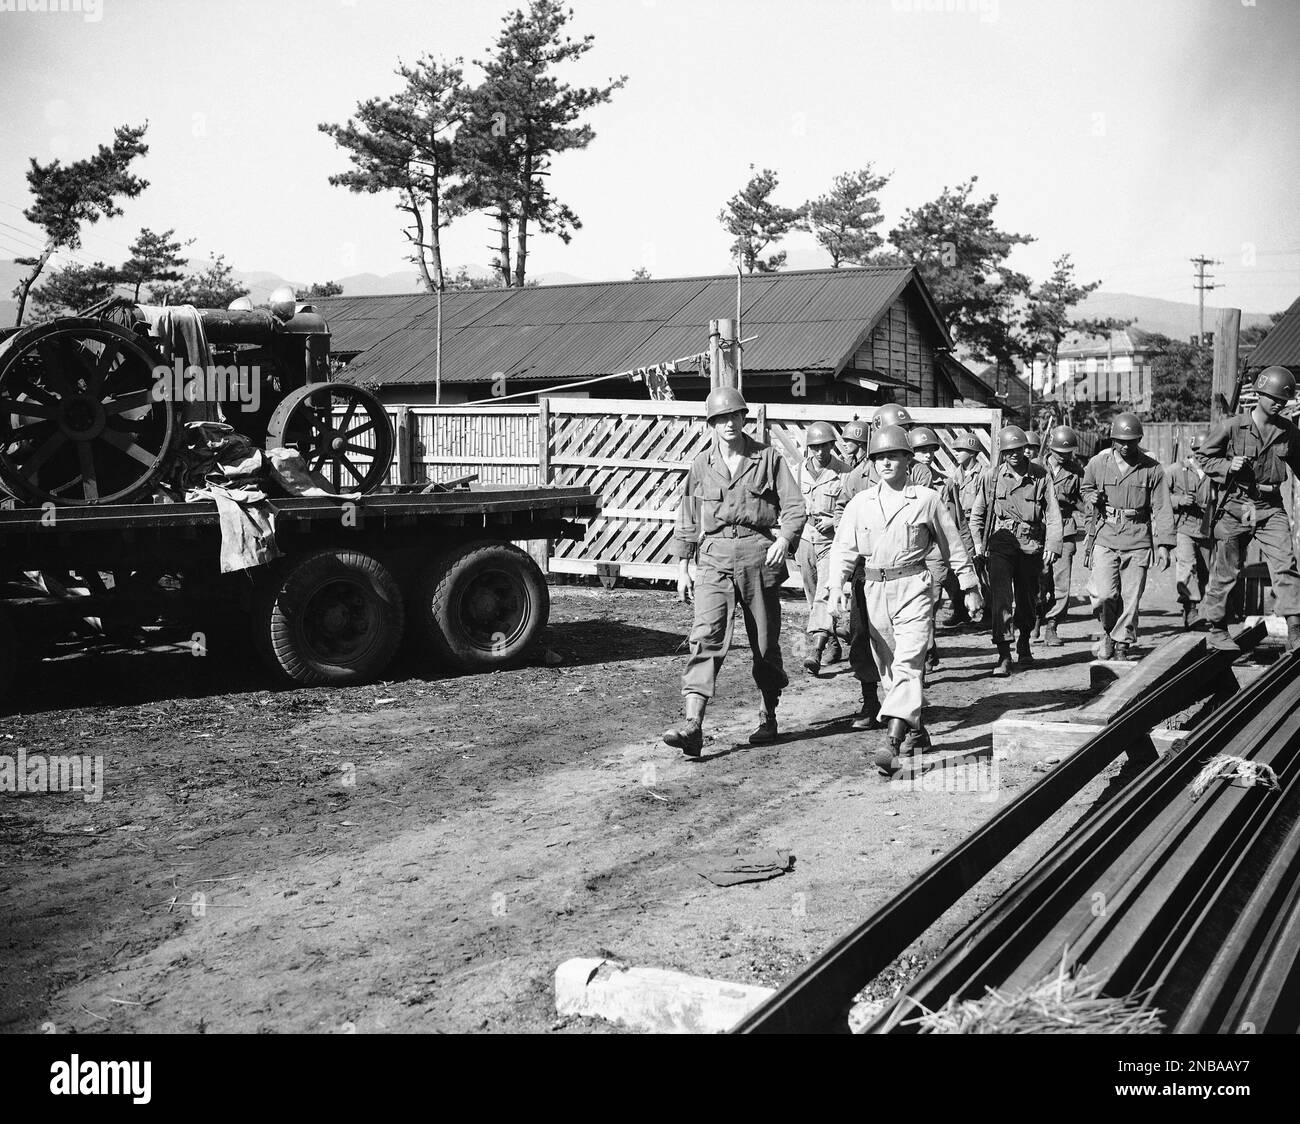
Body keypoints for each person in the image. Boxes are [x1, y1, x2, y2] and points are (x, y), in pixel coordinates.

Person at [827, 425, 983, 775]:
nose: (886, 463)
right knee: (889, 668)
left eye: (893, 456)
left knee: (910, 661)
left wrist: (969, 584)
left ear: (907, 460)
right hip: (873, 590)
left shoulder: (926, 499)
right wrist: (834, 588)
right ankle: (915, 728)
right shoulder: (860, 503)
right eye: (879, 457)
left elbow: (952, 544)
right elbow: (843, 550)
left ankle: (892, 743)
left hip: (913, 585)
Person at [662, 386, 806, 756]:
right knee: (705, 635)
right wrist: (682, 566)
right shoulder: (701, 464)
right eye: (721, 418)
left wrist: (784, 540)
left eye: (734, 416)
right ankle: (694, 725)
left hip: (759, 556)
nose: (729, 423)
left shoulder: (768, 459)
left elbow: (794, 508)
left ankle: (768, 715)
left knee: (764, 642)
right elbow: (689, 518)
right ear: (711, 423)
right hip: (713, 558)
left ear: (744, 418)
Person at [1195, 366, 1300, 651]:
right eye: (1273, 397)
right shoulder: (1233, 426)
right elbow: (1204, 459)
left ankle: (1294, 631)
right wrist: (1228, 465)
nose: (1278, 403)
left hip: (1271, 507)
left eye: (1283, 400)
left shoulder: (1288, 431)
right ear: (1259, 395)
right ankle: (1217, 629)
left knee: (1285, 566)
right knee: (1226, 571)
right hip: (1236, 506)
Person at [831, 404, 912, 728]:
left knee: (904, 639)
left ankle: (902, 706)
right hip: (866, 572)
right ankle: (869, 702)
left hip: (903, 570)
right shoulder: (855, 478)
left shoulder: (915, 472)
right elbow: (841, 515)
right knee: (862, 636)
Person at [1080, 412, 1174, 661]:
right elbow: (1085, 487)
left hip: (1137, 537)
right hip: (1106, 534)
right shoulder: (1098, 464)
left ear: (1139, 440)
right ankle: (1109, 630)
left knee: (1131, 596)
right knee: (1104, 594)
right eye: (1120, 440)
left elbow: (1163, 507)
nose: (1125, 445)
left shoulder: (1151, 468)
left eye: (1131, 440)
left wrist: (1164, 544)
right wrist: (1090, 497)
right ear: (1112, 439)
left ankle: (1122, 644)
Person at [970, 425, 1062, 676]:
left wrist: (1053, 544)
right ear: (1002, 452)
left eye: (1018, 449)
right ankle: (1003, 654)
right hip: (1000, 544)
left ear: (1025, 449)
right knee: (1001, 599)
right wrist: (978, 544)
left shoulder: (1041, 475)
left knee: (1027, 597)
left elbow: (1053, 513)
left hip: (1030, 544)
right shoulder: (992, 476)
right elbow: (978, 514)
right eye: (1009, 450)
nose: (1014, 454)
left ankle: (1024, 641)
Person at [796, 421, 850, 675]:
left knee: (824, 594)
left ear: (832, 445)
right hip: (805, 539)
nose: (820, 452)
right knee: (811, 594)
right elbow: (790, 505)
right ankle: (833, 642)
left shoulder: (844, 473)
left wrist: (834, 522)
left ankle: (815, 651)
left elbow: (852, 511)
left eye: (825, 446)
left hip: (832, 543)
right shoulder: (798, 472)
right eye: (815, 447)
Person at [1041, 425, 1085, 647]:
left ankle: (1052, 624)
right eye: (1060, 453)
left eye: (1068, 453)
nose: (1064, 457)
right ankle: (1036, 615)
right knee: (1039, 579)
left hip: (1066, 529)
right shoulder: (1037, 467)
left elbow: (1083, 499)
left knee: (1061, 582)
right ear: (1050, 448)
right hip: (1039, 530)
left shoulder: (1076, 471)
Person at [1166, 433, 1215, 630]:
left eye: (1205, 451)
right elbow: (1159, 497)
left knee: (1205, 572)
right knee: (1187, 566)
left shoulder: (1214, 471)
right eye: (1197, 451)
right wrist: (1178, 501)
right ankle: (1191, 608)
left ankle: (1194, 609)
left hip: (1206, 528)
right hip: (1183, 526)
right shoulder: (1176, 470)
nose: (1200, 456)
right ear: (1192, 450)